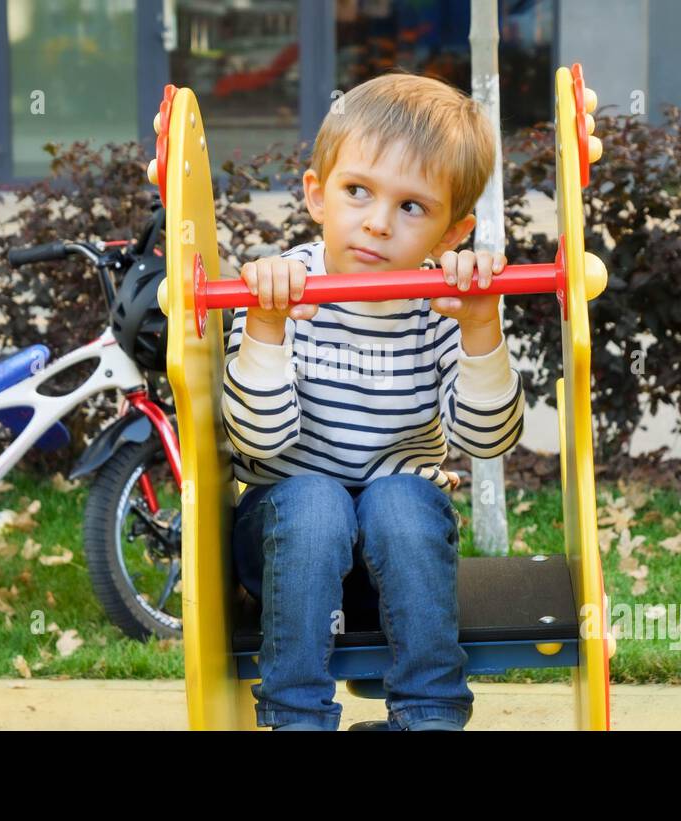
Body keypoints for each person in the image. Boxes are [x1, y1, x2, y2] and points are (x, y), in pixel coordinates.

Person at [223, 72, 524, 731]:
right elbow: (257, 443)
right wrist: (268, 327)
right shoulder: (279, 290)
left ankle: (428, 714)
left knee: (404, 498)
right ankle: (297, 717)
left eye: (413, 206)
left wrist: (480, 329)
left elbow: (487, 441)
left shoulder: (441, 305)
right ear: (316, 195)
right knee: (314, 500)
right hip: (284, 552)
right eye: (357, 191)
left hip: (392, 569)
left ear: (451, 233)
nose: (378, 223)